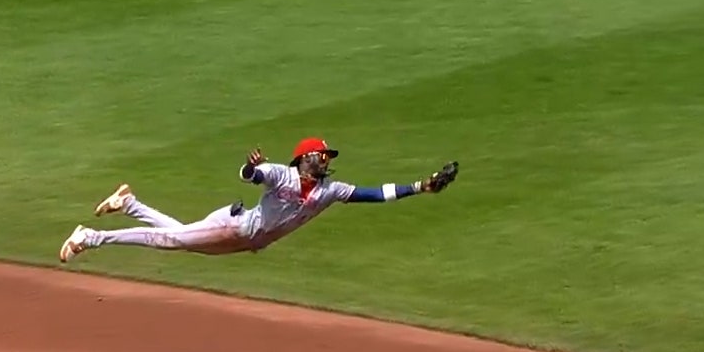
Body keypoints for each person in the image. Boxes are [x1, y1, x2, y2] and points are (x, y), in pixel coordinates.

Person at [58, 137, 458, 263]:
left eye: (328, 157)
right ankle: (91, 237)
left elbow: (375, 194)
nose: (326, 160)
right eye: (322, 155)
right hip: (234, 226)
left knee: (179, 239)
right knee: (172, 241)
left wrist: (421, 186)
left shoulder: (330, 192)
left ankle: (130, 204)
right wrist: (252, 168)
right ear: (305, 157)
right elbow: (252, 176)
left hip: (247, 239)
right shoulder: (283, 174)